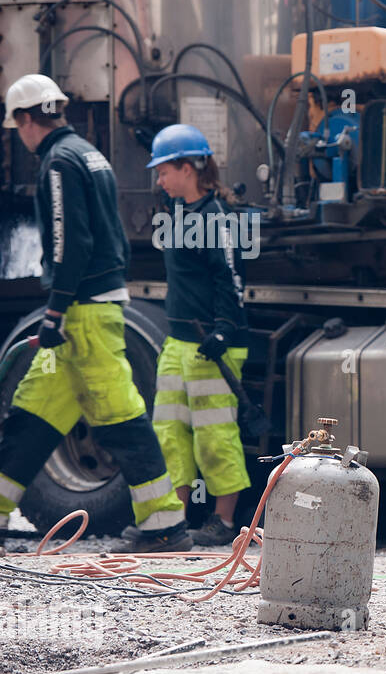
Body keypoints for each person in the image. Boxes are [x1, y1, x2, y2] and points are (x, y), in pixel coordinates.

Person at [0, 74, 190, 552]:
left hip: (82, 315)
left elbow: (70, 242)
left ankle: (164, 526)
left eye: (16, 125)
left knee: (121, 419)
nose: (18, 135)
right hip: (88, 312)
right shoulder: (88, 153)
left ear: (26, 119)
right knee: (31, 414)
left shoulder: (59, 163)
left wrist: (55, 310)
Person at [146, 124, 251, 546]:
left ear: (188, 168)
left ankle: (224, 521)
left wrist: (225, 330)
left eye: (164, 171)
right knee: (169, 432)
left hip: (212, 343)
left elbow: (230, 278)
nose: (159, 179)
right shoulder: (178, 213)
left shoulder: (217, 218)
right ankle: (176, 520)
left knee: (213, 433)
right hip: (178, 342)